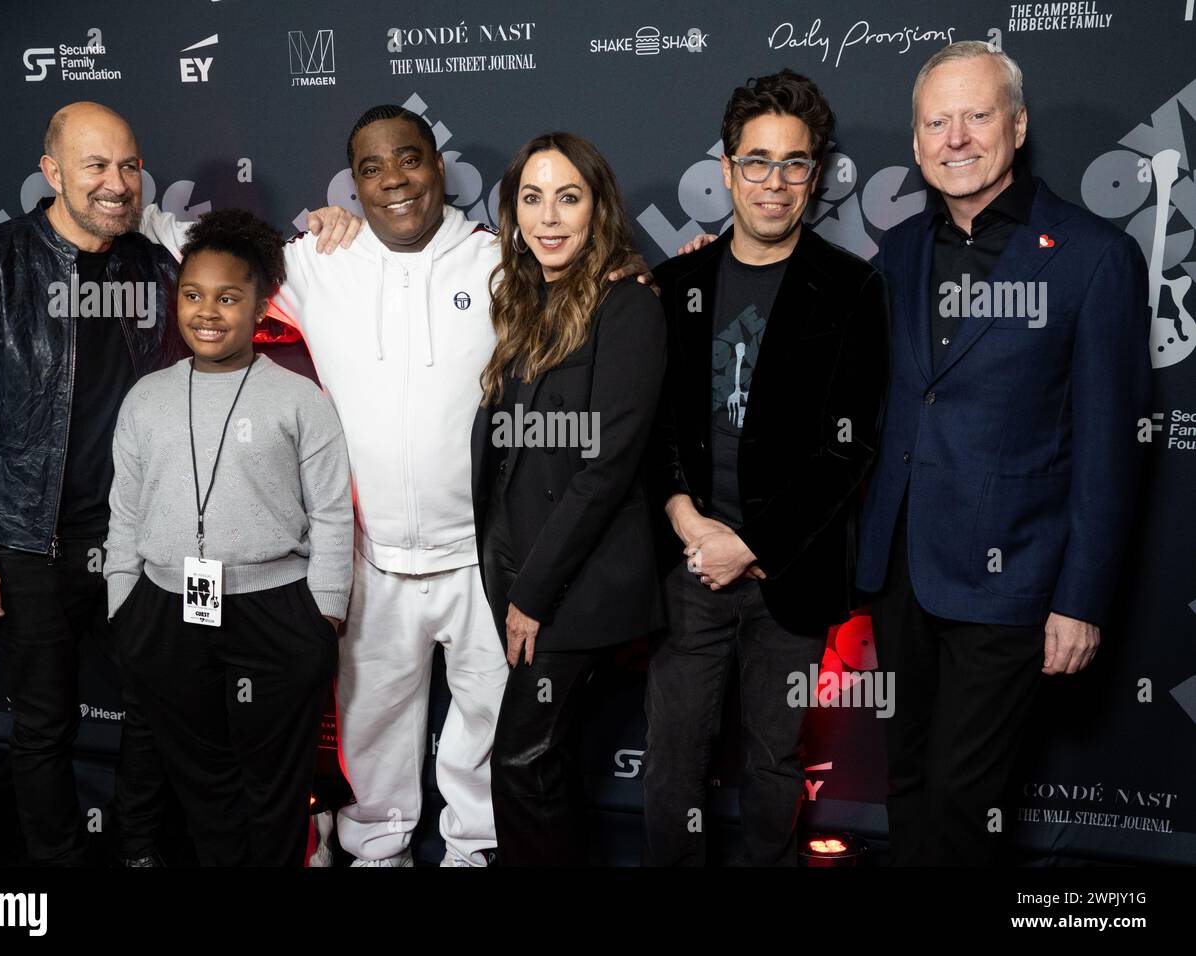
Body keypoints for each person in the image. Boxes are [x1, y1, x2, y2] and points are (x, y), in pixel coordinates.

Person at [138, 106, 509, 867]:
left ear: (438, 167)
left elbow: (585, 295)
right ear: (354, 182)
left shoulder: (498, 262)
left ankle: (475, 849)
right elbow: (214, 257)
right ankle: (377, 849)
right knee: (371, 723)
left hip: (481, 554)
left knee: (489, 719)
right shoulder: (318, 261)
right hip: (370, 554)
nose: (393, 180)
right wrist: (131, 210)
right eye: (371, 168)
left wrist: (631, 270)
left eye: (408, 160)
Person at [854, 41, 1151, 865]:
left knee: (962, 796)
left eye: (977, 116)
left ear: (1015, 127)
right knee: (905, 779)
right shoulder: (899, 255)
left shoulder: (1093, 258)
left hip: (1014, 575)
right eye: (936, 122)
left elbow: (1110, 448)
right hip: (904, 569)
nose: (957, 138)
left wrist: (1081, 599)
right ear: (915, 144)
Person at [0, 102, 174, 866]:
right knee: (44, 726)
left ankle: (139, 854)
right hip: (28, 541)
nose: (118, 183)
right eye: (96, 166)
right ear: (52, 172)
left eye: (129, 165)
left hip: (135, 541)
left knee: (156, 713)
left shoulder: (154, 265)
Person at [642, 71, 890, 866]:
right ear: (726, 167)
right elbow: (653, 431)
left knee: (774, 764)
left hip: (790, 576)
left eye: (794, 163)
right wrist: (689, 524)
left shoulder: (851, 289)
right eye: (757, 161)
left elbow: (847, 448)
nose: (774, 182)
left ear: (815, 176)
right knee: (673, 764)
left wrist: (746, 547)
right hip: (687, 573)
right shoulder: (673, 284)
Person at [104, 209, 353, 866]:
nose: (206, 312)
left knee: (273, 787)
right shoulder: (146, 399)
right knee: (205, 785)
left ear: (260, 306)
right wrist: (125, 610)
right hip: (166, 614)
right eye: (192, 295)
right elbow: (124, 514)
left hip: (275, 614)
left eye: (227, 297)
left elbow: (331, 514)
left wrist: (324, 615)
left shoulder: (299, 400)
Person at [471, 132, 666, 865]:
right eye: (532, 198)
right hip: (520, 570)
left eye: (568, 197)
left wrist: (534, 594)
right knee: (543, 766)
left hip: (570, 589)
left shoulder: (627, 308)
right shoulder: (527, 303)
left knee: (522, 763)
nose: (549, 217)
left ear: (598, 209)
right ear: (513, 215)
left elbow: (605, 466)